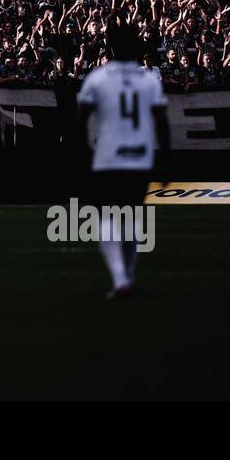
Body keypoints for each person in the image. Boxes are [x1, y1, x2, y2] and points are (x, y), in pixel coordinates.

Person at [75, 22, 171, 298]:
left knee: (107, 216)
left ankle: (120, 279)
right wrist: (166, 159)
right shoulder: (148, 79)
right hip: (140, 158)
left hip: (108, 157)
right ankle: (127, 274)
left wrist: (82, 154)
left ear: (111, 48)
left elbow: (80, 119)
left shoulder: (99, 77)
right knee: (131, 217)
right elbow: (161, 121)